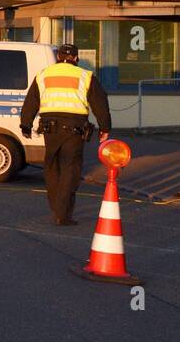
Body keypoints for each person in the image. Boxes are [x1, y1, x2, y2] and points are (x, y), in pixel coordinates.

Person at [19, 42, 111, 225]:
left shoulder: (44, 75)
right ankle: (63, 213)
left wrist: (26, 125)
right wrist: (105, 128)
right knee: (70, 168)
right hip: (74, 128)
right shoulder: (85, 76)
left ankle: (56, 207)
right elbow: (100, 103)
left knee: (52, 166)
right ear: (76, 58)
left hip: (49, 127)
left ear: (59, 57)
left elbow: (31, 101)